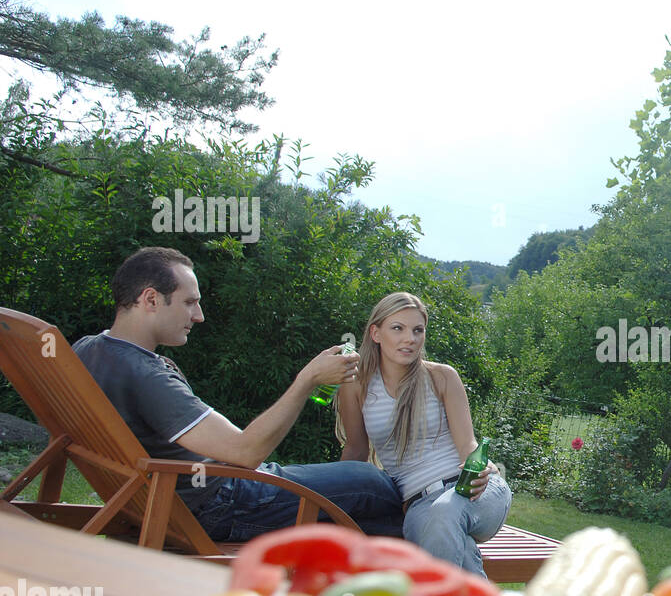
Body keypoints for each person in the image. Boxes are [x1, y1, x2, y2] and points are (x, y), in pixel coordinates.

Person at [74, 247, 405, 541]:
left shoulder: (87, 350)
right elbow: (246, 453)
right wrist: (307, 380)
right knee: (370, 482)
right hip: (217, 502)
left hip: (169, 496)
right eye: (190, 302)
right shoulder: (144, 373)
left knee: (378, 516)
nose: (198, 316)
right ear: (150, 299)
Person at [335, 292, 511, 578]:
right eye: (398, 328)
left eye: (418, 330)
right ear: (375, 333)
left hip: (476, 493)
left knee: (446, 513)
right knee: (450, 534)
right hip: (419, 507)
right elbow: (355, 450)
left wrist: (483, 469)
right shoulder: (357, 386)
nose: (410, 338)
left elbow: (468, 445)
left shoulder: (441, 377)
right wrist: (334, 499)